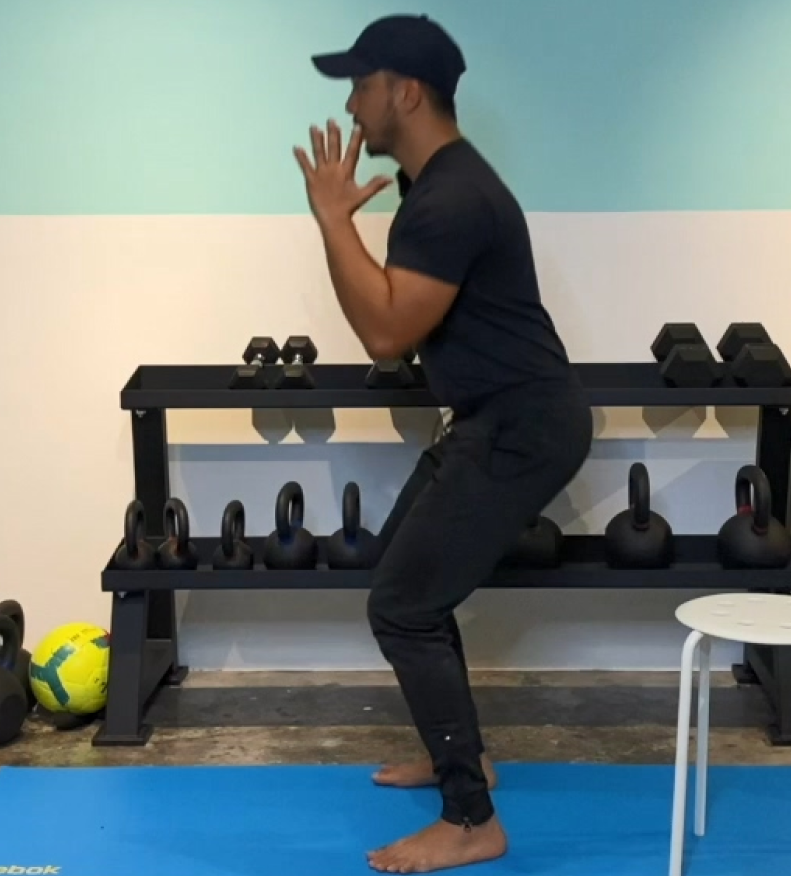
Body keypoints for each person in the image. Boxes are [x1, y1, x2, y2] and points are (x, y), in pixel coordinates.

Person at [293, 13, 593, 874]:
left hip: (522, 425)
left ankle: (470, 819)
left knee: (402, 606)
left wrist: (332, 220)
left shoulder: (452, 198)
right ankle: (462, 753)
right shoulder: (438, 189)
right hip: (496, 418)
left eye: (361, 85)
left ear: (407, 92)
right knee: (404, 578)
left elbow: (388, 334)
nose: (351, 105)